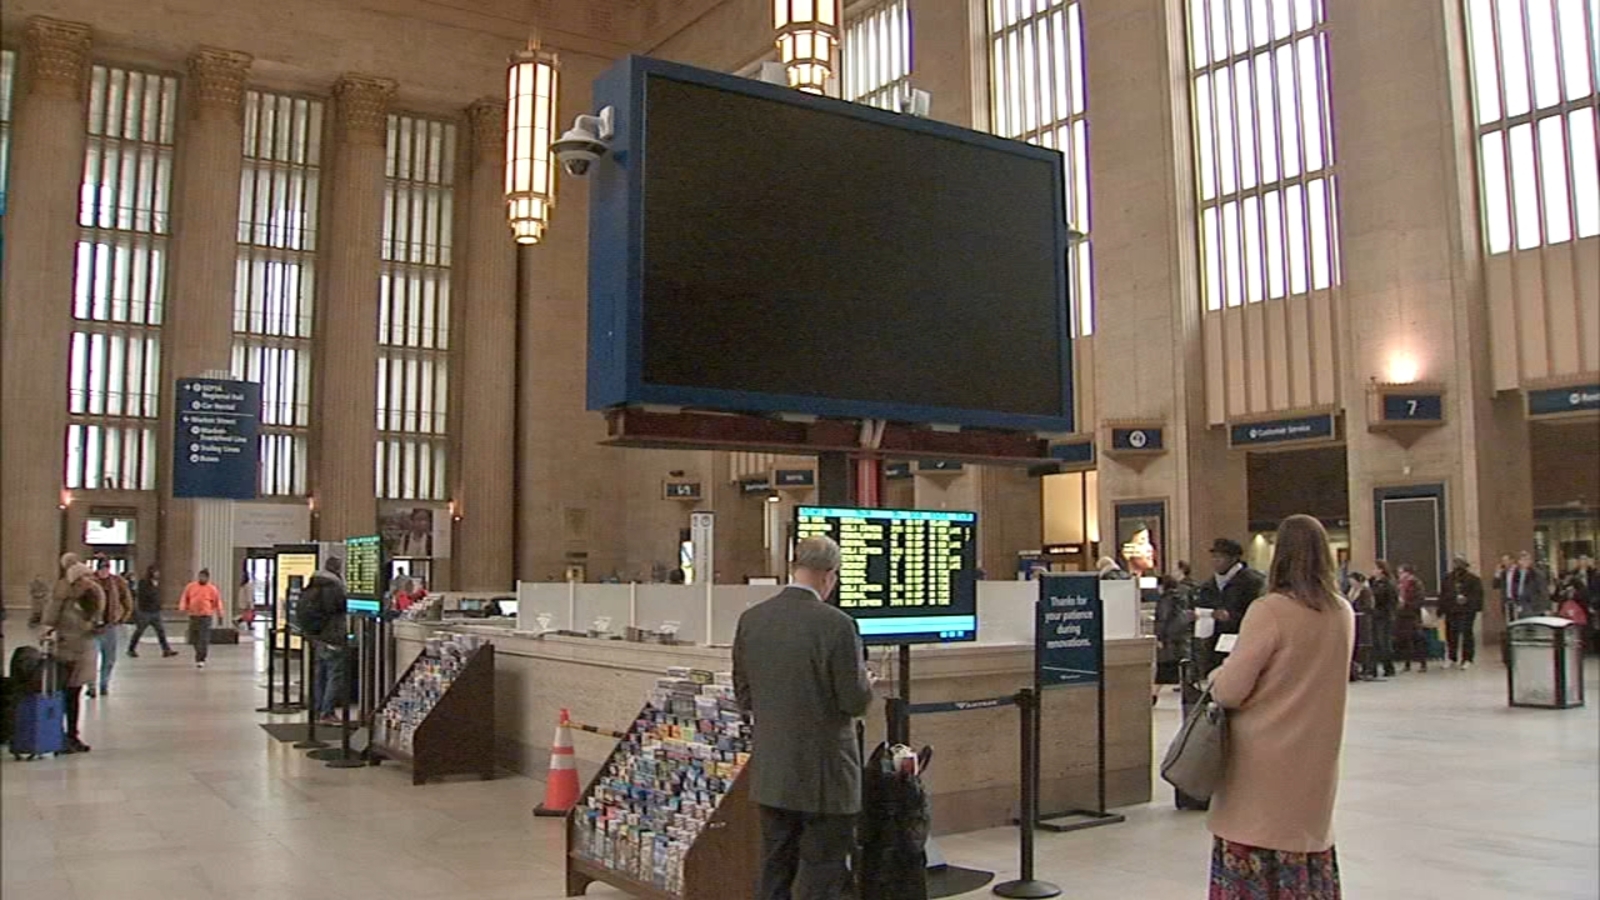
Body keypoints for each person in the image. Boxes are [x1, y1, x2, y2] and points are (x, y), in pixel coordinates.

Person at [1206, 514, 1353, 900]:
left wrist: (1216, 675)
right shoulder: (1342, 613)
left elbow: (1231, 690)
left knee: (1255, 847)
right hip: (1316, 761)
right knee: (1303, 849)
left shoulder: (1270, 610)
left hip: (1262, 764)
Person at [733, 536, 874, 900]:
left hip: (773, 771)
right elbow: (854, 701)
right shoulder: (837, 625)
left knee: (774, 864)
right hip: (825, 775)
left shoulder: (752, 619)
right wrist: (867, 683)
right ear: (830, 575)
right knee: (822, 870)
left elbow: (744, 694)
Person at [41, 553, 106, 753]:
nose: (88, 582)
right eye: (84, 579)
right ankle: (65, 735)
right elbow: (50, 619)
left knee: (71, 694)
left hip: (79, 650)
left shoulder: (89, 595)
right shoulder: (68, 596)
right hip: (70, 650)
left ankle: (69, 735)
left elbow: (98, 616)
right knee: (68, 694)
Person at [1193, 537, 1266, 676]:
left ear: (1233, 559)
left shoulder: (1252, 582)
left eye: (1220, 557)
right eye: (1213, 557)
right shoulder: (1209, 585)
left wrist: (1231, 617)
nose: (1215, 561)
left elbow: (1259, 614)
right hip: (1214, 646)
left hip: (1242, 643)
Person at [303, 559, 350, 725]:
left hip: (316, 637)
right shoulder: (334, 588)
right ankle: (327, 712)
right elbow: (341, 608)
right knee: (334, 674)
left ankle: (317, 709)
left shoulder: (312, 585)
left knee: (319, 674)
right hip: (332, 636)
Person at [88, 556, 133, 696]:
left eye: (107, 567)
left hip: (110, 625)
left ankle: (104, 683)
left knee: (109, 658)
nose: (104, 570)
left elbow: (126, 599)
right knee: (91, 658)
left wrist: (123, 616)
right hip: (93, 626)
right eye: (102, 567)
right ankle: (91, 686)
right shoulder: (89, 582)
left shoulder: (117, 581)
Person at [1438, 554, 1485, 669]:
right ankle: (1451, 657)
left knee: (1467, 634)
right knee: (1451, 635)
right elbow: (1443, 595)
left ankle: (1467, 659)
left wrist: (1467, 600)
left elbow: (1478, 595)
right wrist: (1441, 609)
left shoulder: (1474, 579)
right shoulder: (1447, 579)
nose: (1457, 565)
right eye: (1455, 562)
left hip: (1467, 611)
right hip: (1451, 610)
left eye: (1460, 563)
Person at [128, 565, 178, 658]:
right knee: (139, 631)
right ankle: (131, 649)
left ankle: (166, 650)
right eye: (155, 572)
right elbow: (143, 595)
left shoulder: (156, 583)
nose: (157, 574)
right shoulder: (143, 582)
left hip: (155, 612)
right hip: (145, 612)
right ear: (151, 572)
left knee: (161, 631)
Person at [1154, 573, 1193, 690]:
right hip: (1181, 632)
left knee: (1167, 664)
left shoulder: (1166, 599)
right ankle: (1184, 684)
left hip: (1169, 635)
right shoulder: (1181, 596)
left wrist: (1159, 636)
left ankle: (1156, 692)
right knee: (1181, 660)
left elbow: (1163, 618)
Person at [178, 569, 224, 668]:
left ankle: (201, 658)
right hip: (193, 615)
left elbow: (217, 602)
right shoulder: (190, 587)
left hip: (205, 616)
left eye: (203, 577)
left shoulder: (212, 589)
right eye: (200, 576)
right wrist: (182, 608)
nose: (201, 578)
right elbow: (185, 597)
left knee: (203, 638)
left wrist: (220, 615)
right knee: (194, 637)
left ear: (207, 578)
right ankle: (199, 651)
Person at [1394, 563, 1428, 672]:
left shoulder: (1416, 584)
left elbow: (1420, 599)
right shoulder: (1399, 585)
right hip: (1401, 614)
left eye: (1401, 573)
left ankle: (1423, 663)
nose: (1399, 575)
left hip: (1412, 615)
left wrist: (1407, 603)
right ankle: (1407, 663)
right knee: (1405, 640)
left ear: (1407, 573)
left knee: (1417, 638)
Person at [1369, 561, 1400, 677]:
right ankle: (1373, 669)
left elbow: (1391, 601)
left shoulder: (1387, 584)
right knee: (1374, 643)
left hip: (1384, 616)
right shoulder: (1372, 582)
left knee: (1384, 642)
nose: (1372, 571)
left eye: (1375, 568)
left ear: (1381, 570)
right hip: (1374, 615)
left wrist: (1390, 614)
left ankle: (1388, 667)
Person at [1501, 551, 1551, 620]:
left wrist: (1547, 608)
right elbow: (1511, 587)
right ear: (1519, 561)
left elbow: (1544, 592)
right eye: (1523, 560)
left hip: (1533, 605)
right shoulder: (1515, 573)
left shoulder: (1537, 574)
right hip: (1518, 605)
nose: (1525, 562)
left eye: (1528, 560)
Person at [1347, 571, 1376, 680]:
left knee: (1365, 644)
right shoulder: (1351, 591)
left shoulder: (1365, 591)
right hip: (1355, 619)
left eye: (1352, 580)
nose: (1351, 583)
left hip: (1363, 619)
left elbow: (1369, 606)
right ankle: (1356, 668)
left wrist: (1358, 609)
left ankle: (1367, 668)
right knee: (1356, 644)